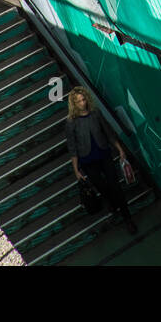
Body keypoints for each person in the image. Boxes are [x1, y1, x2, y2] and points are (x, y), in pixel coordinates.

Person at [65, 86, 137, 234]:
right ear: (74, 103)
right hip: (87, 160)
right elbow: (72, 147)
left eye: (83, 99)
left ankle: (127, 218)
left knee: (115, 186)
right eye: (78, 101)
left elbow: (108, 132)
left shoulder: (95, 113)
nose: (82, 103)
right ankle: (113, 206)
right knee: (102, 187)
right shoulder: (71, 122)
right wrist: (76, 169)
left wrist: (120, 149)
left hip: (104, 154)